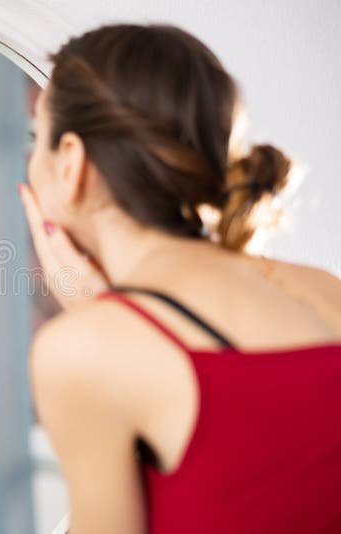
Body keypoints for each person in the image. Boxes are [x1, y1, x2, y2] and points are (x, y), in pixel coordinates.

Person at [19, 23, 341, 534]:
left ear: (71, 163)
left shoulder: (83, 351)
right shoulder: (326, 289)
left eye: (37, 138)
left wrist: (104, 323)